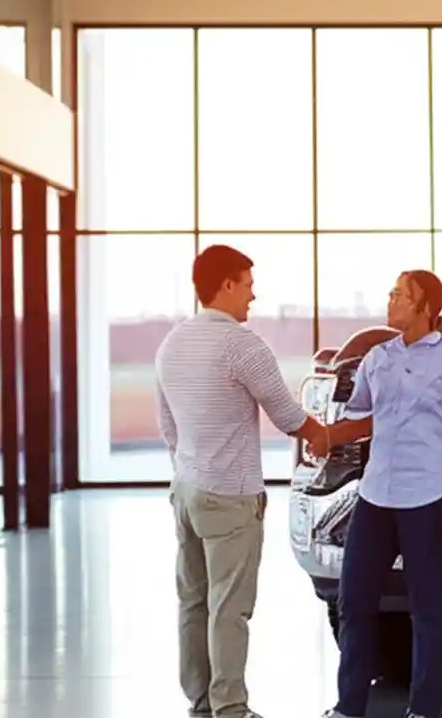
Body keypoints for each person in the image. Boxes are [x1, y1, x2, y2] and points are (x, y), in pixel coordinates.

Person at [155, 244, 327, 718]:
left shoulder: (172, 343)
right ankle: (230, 707)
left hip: (187, 491)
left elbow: (167, 424)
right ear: (226, 284)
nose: (253, 295)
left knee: (193, 600)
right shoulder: (241, 344)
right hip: (230, 497)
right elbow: (288, 414)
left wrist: (190, 465)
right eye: (248, 284)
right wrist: (323, 436)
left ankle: (200, 701)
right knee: (229, 607)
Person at [319, 269, 442, 718]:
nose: (390, 300)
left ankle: (424, 708)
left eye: (400, 295)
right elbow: (364, 419)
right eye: (391, 292)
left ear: (425, 306)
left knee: (426, 606)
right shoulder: (377, 357)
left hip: (427, 496)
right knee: (353, 601)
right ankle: (348, 707)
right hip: (375, 496)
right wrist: (329, 435)